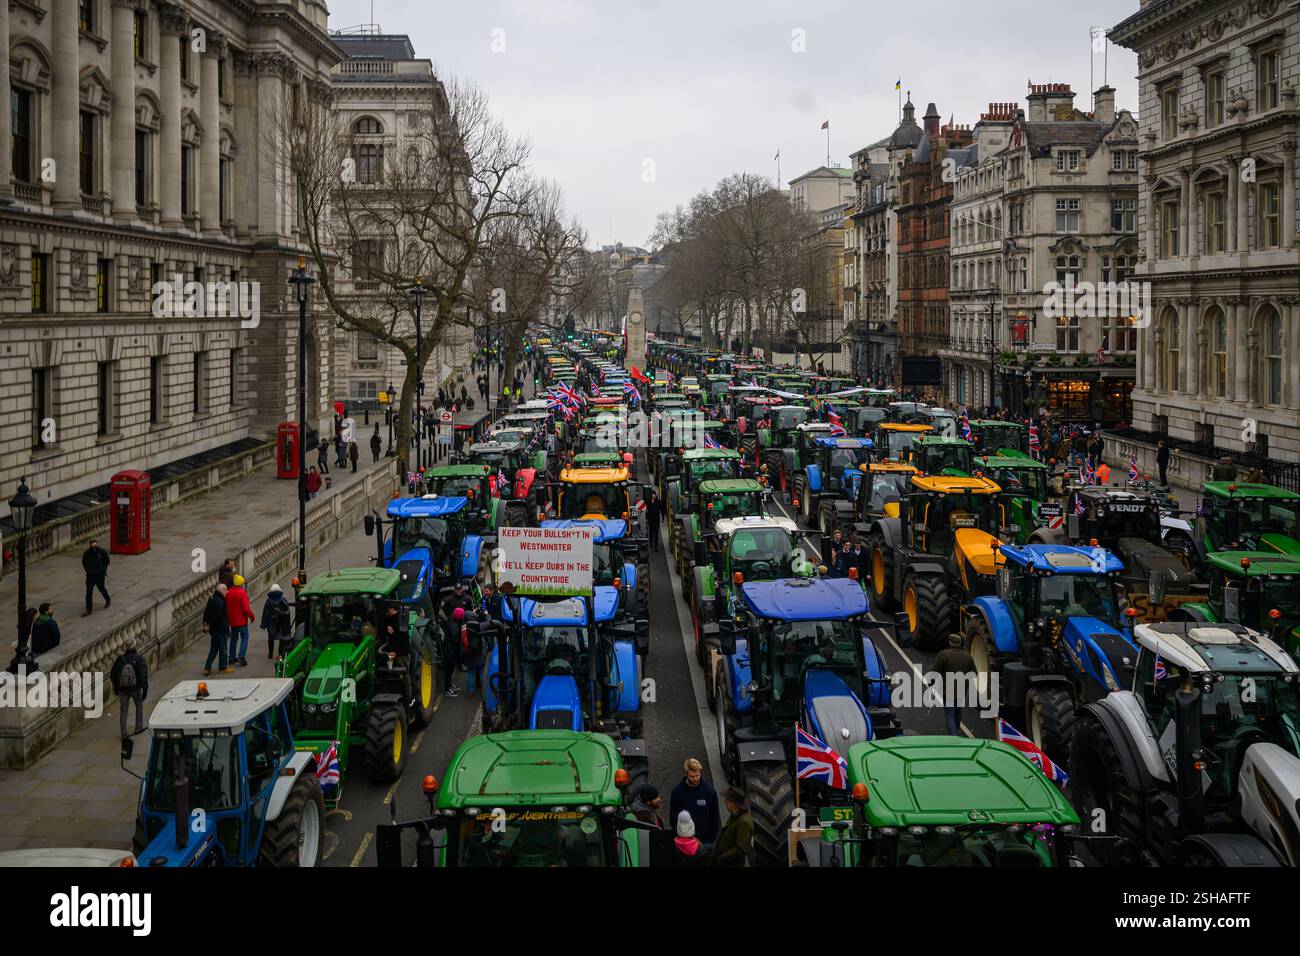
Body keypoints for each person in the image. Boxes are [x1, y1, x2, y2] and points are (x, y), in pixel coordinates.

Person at [669, 757, 721, 845]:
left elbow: (714, 817)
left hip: (704, 842)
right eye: (692, 776)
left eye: (697, 775)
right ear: (686, 774)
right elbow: (673, 816)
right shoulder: (677, 792)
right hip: (684, 841)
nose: (696, 779)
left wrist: (709, 841)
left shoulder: (709, 791)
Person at [933, 633, 976, 736]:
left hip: (948, 690)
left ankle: (954, 737)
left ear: (950, 642)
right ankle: (955, 732)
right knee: (957, 711)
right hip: (962, 691)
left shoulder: (944, 654)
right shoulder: (968, 656)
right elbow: (974, 674)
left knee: (949, 714)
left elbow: (934, 671)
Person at [110, 636, 149, 740]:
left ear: (126, 647)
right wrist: (144, 690)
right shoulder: (139, 659)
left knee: (123, 710)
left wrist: (117, 687)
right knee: (139, 705)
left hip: (123, 690)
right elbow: (143, 676)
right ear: (135, 646)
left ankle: (123, 733)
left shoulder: (120, 659)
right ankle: (138, 727)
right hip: (135, 689)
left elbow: (112, 675)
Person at [711, 788, 753, 867]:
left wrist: (722, 857)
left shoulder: (743, 822)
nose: (725, 802)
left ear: (733, 803)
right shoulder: (735, 814)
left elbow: (741, 849)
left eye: (727, 800)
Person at [203, 583, 232, 675]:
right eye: (225, 590)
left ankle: (207, 668)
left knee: (213, 649)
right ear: (221, 590)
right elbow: (220, 617)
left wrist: (207, 624)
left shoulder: (212, 598)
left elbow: (206, 613)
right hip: (220, 629)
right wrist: (226, 629)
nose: (227, 592)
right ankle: (223, 667)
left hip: (213, 630)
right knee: (223, 649)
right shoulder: (221, 602)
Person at [226, 574, 254, 666]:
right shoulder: (242, 593)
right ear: (241, 584)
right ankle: (241, 657)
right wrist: (252, 616)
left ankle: (231, 657)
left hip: (232, 620)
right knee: (244, 638)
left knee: (234, 638)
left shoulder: (229, 592)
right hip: (241, 620)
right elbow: (246, 608)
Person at [261, 583, 294, 659]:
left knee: (271, 638)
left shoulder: (268, 601)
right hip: (281, 623)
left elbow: (266, 614)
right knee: (281, 638)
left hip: (271, 623)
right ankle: (280, 653)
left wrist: (263, 624)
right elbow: (287, 612)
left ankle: (270, 653)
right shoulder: (283, 600)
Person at [462, 608, 489, 699]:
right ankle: (485, 691)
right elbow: (488, 623)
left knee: (470, 673)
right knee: (482, 672)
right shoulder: (477, 627)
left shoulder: (463, 628)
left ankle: (471, 692)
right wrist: (485, 614)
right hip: (479, 653)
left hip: (468, 654)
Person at [81, 538, 111, 617]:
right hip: (90, 576)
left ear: (96, 544)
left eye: (95, 544)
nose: (93, 546)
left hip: (99, 575)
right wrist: (88, 570)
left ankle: (108, 600)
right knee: (89, 592)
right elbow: (84, 563)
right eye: (92, 545)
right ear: (90, 545)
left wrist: (103, 570)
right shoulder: (87, 553)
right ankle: (89, 609)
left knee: (101, 588)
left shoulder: (102, 552)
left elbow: (107, 561)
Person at [644, 486, 661, 552]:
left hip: (656, 519)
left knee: (656, 532)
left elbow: (660, 508)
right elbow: (645, 507)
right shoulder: (648, 501)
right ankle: (650, 543)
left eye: (654, 494)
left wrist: (662, 517)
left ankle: (656, 545)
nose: (653, 496)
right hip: (650, 519)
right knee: (650, 531)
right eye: (652, 495)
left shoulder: (658, 501)